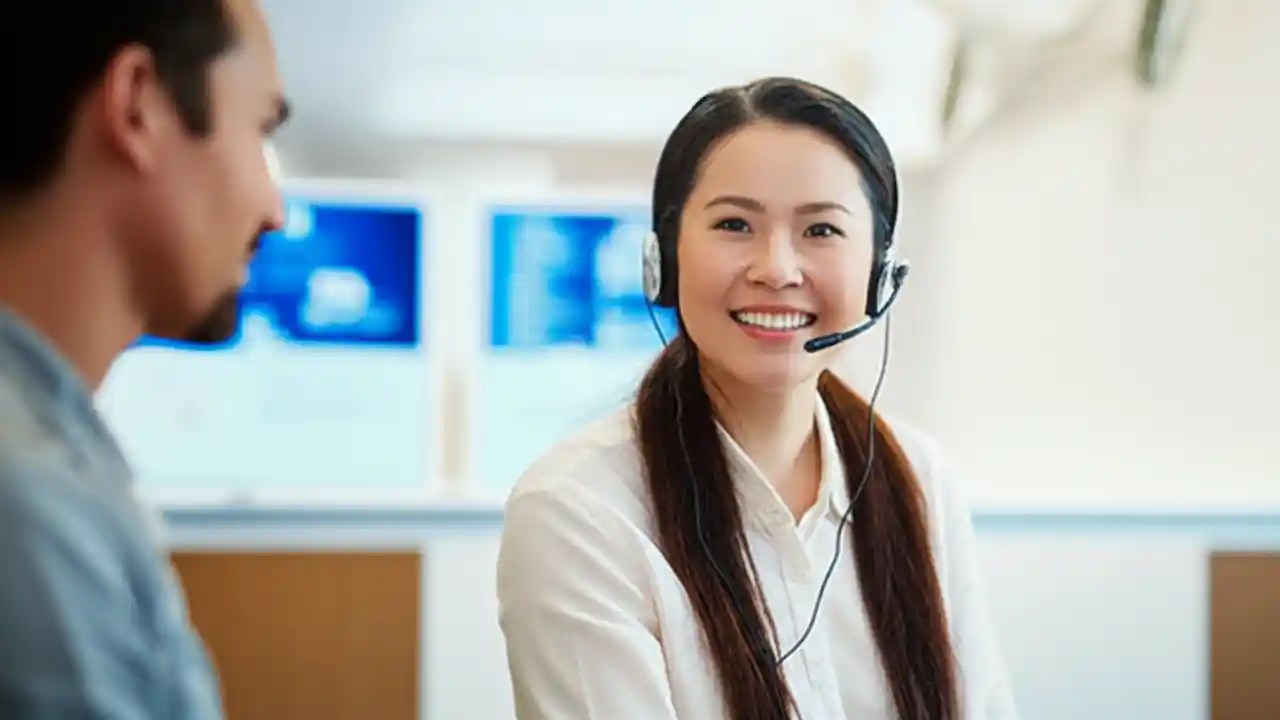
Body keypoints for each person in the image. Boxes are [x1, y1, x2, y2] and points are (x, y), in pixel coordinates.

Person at [496, 77, 1017, 719]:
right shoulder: (579, 511)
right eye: (734, 224)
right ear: (663, 260)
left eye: (821, 230)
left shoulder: (916, 477)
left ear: (880, 274)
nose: (777, 269)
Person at [0, 0, 288, 716]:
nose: (274, 209)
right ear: (138, 107)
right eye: (260, 132)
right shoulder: (31, 505)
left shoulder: (56, 457)